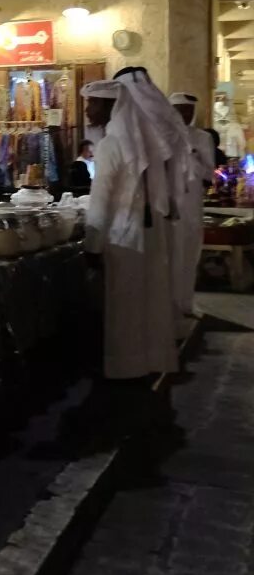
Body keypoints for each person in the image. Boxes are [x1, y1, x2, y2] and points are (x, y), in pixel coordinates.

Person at [83, 78, 179, 383]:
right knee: (147, 299)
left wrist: (92, 245)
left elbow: (101, 200)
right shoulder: (143, 140)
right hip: (148, 233)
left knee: (124, 304)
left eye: (92, 103)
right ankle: (148, 360)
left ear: (109, 105)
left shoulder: (111, 144)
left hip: (122, 235)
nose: (87, 110)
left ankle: (126, 367)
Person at [171, 92, 216, 331]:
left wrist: (193, 159)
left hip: (192, 204)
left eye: (189, 111)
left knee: (190, 253)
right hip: (169, 205)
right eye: (180, 110)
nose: (185, 115)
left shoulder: (202, 137)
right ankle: (170, 305)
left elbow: (209, 174)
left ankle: (186, 303)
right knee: (171, 255)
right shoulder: (163, 136)